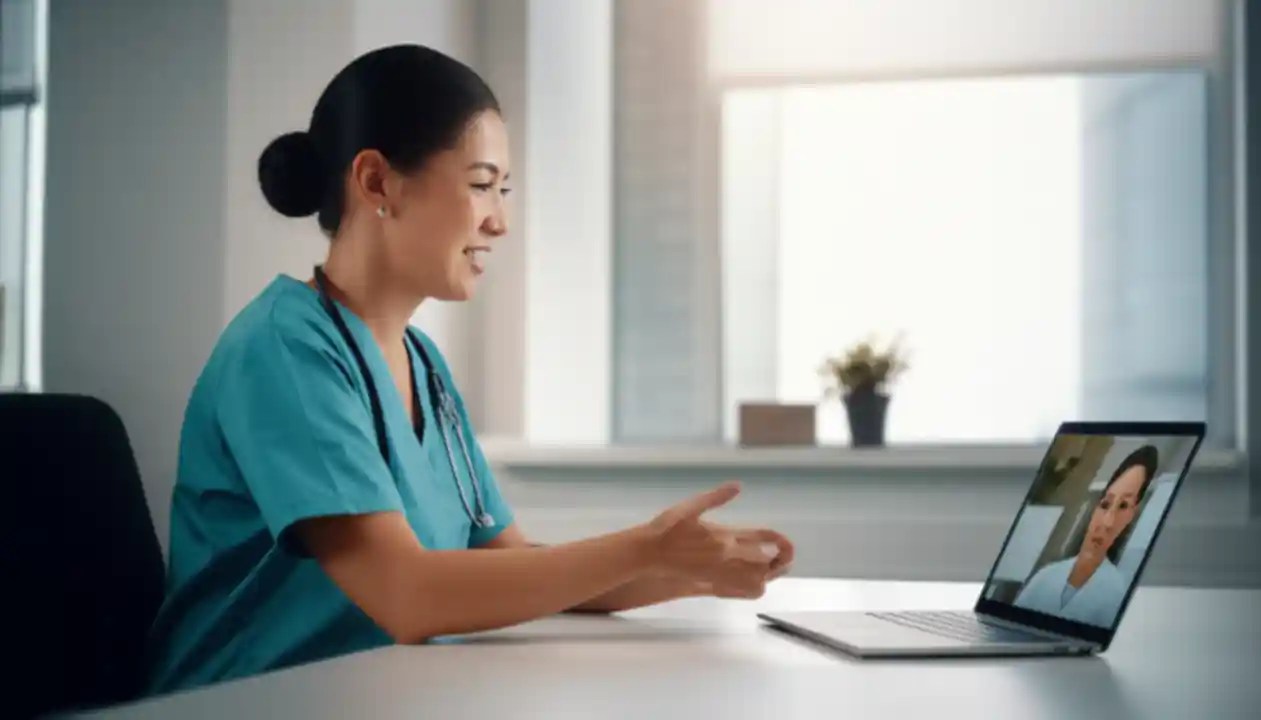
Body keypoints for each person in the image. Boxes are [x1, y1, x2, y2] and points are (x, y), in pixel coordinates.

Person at [144, 45, 794, 694]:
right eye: (482, 184)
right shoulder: (284, 349)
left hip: (377, 696)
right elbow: (408, 595)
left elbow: (510, 565)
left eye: (503, 191)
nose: (500, 220)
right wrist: (645, 547)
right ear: (376, 182)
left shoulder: (423, 365)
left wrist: (690, 568)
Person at [1013, 445, 1159, 627]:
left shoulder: (1117, 593)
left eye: (1123, 506)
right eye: (1105, 504)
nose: (1107, 522)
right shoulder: (1045, 576)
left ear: (1130, 517)